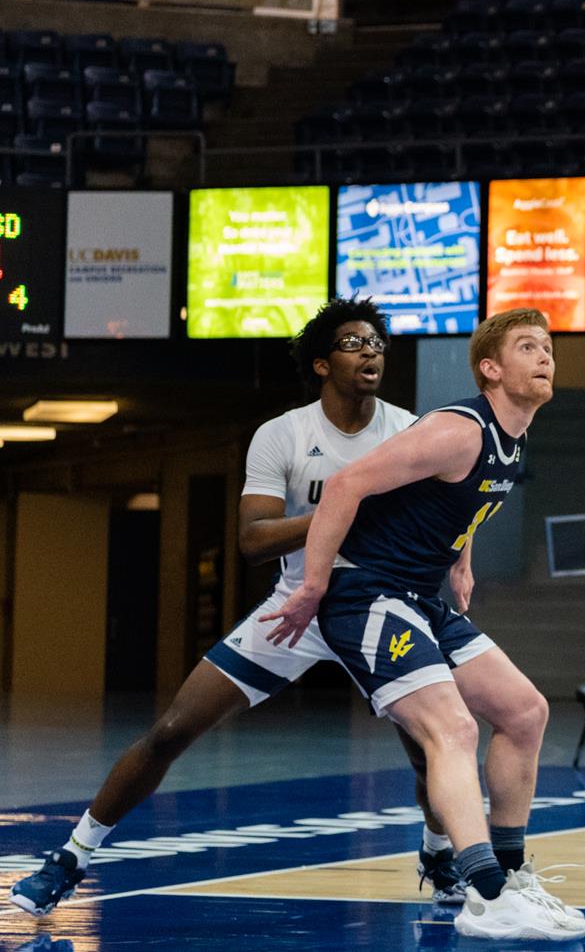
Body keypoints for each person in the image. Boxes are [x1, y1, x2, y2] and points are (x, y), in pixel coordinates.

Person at [7, 300, 463, 916]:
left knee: (429, 744)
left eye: (378, 342)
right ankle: (71, 857)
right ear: (324, 364)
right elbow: (252, 539)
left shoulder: (411, 429)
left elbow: (456, 504)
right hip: (296, 610)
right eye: (355, 343)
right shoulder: (284, 434)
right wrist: (340, 511)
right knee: (172, 730)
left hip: (377, 603)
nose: (372, 352)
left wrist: (461, 562)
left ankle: (438, 854)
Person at [259, 307, 584, 941]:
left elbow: (449, 505)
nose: (544, 356)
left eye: (547, 347)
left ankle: (512, 875)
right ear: (491, 369)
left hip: (418, 594)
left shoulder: (513, 439)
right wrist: (313, 587)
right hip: (365, 592)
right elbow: (347, 485)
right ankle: (484, 892)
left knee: (525, 710)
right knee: (453, 728)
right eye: (527, 347)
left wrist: (461, 564)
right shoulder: (459, 429)